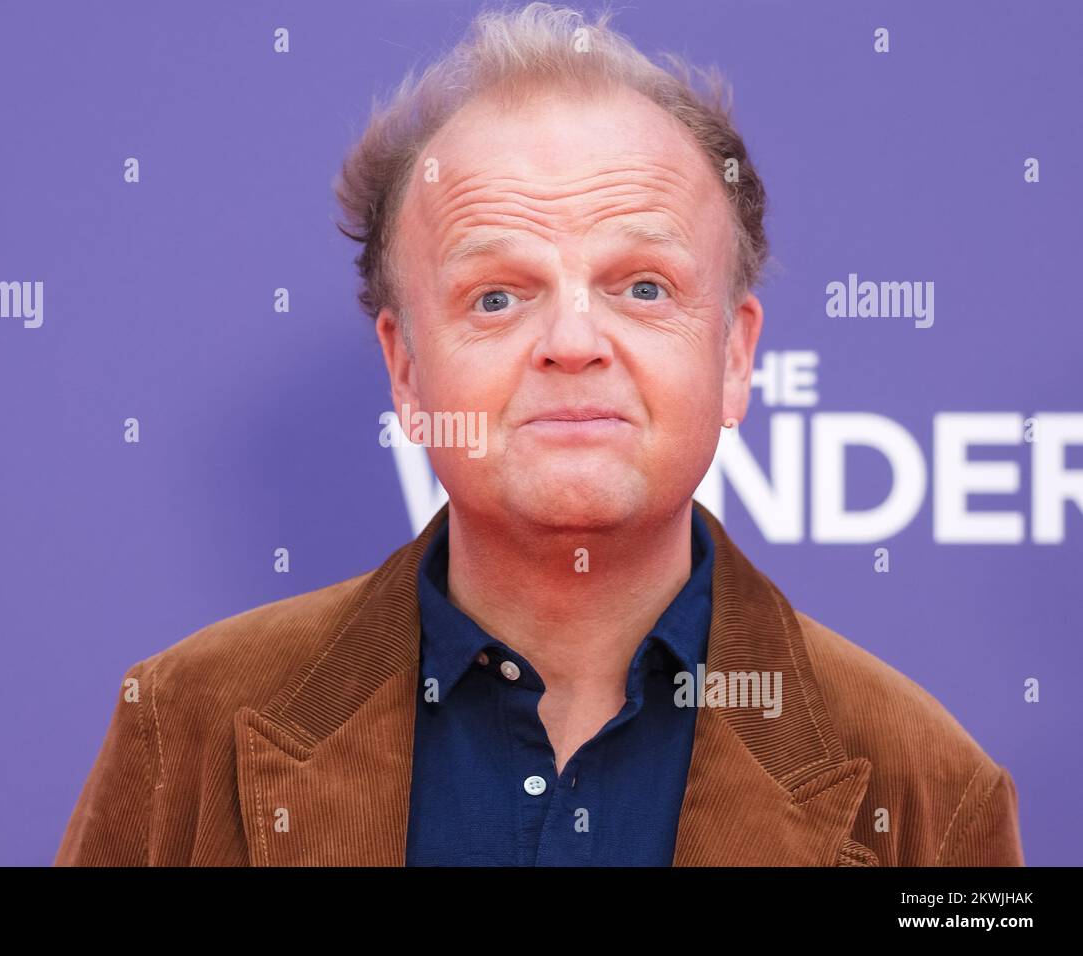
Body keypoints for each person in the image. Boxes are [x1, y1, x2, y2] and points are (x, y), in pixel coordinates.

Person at [54, 2, 1023, 867]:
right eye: (497, 294)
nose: (570, 342)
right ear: (403, 367)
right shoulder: (184, 723)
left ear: (734, 357)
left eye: (643, 286)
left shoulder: (925, 785)